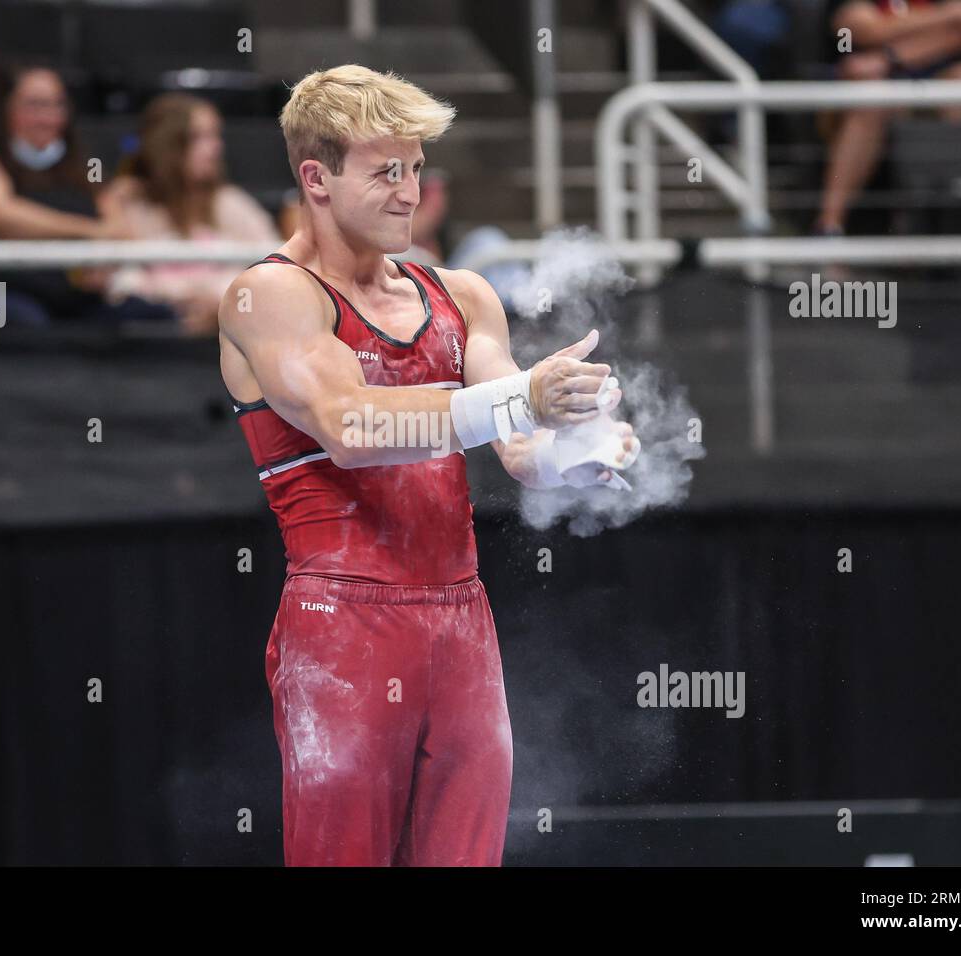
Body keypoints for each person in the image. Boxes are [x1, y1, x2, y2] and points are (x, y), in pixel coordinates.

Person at [218, 64, 641, 867]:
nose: (410, 191)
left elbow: (517, 449)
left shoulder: (463, 295)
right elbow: (349, 426)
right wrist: (525, 400)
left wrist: (578, 453)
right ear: (316, 178)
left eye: (416, 168)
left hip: (462, 620)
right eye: (386, 172)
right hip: (343, 622)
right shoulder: (269, 296)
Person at [0, 62, 167, 325]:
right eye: (35, 105)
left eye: (56, 105)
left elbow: (118, 230)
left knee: (150, 316)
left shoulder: (84, 168)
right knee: (23, 320)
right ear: (3, 108)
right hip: (3, 291)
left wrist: (103, 262)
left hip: (76, 293)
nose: (48, 118)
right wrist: (90, 231)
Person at [100, 93, 280, 336]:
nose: (216, 147)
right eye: (199, 137)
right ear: (167, 144)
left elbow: (274, 271)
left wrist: (222, 308)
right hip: (146, 343)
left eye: (216, 136)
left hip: (224, 343)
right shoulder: (132, 204)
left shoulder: (229, 203)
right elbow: (113, 283)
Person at [814, 0, 961, 235]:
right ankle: (828, 229)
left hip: (928, 91)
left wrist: (888, 57)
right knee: (873, 97)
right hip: (857, 99)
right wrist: (945, 18)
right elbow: (861, 30)